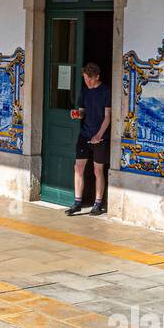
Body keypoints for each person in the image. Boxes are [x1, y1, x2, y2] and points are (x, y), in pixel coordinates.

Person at [66, 62, 110, 216]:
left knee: (98, 170)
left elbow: (107, 117)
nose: (88, 82)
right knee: (78, 168)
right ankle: (77, 203)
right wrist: (77, 115)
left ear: (97, 77)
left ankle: (97, 204)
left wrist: (99, 134)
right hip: (84, 135)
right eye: (85, 79)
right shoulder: (84, 91)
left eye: (90, 79)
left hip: (100, 137)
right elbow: (82, 112)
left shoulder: (106, 92)